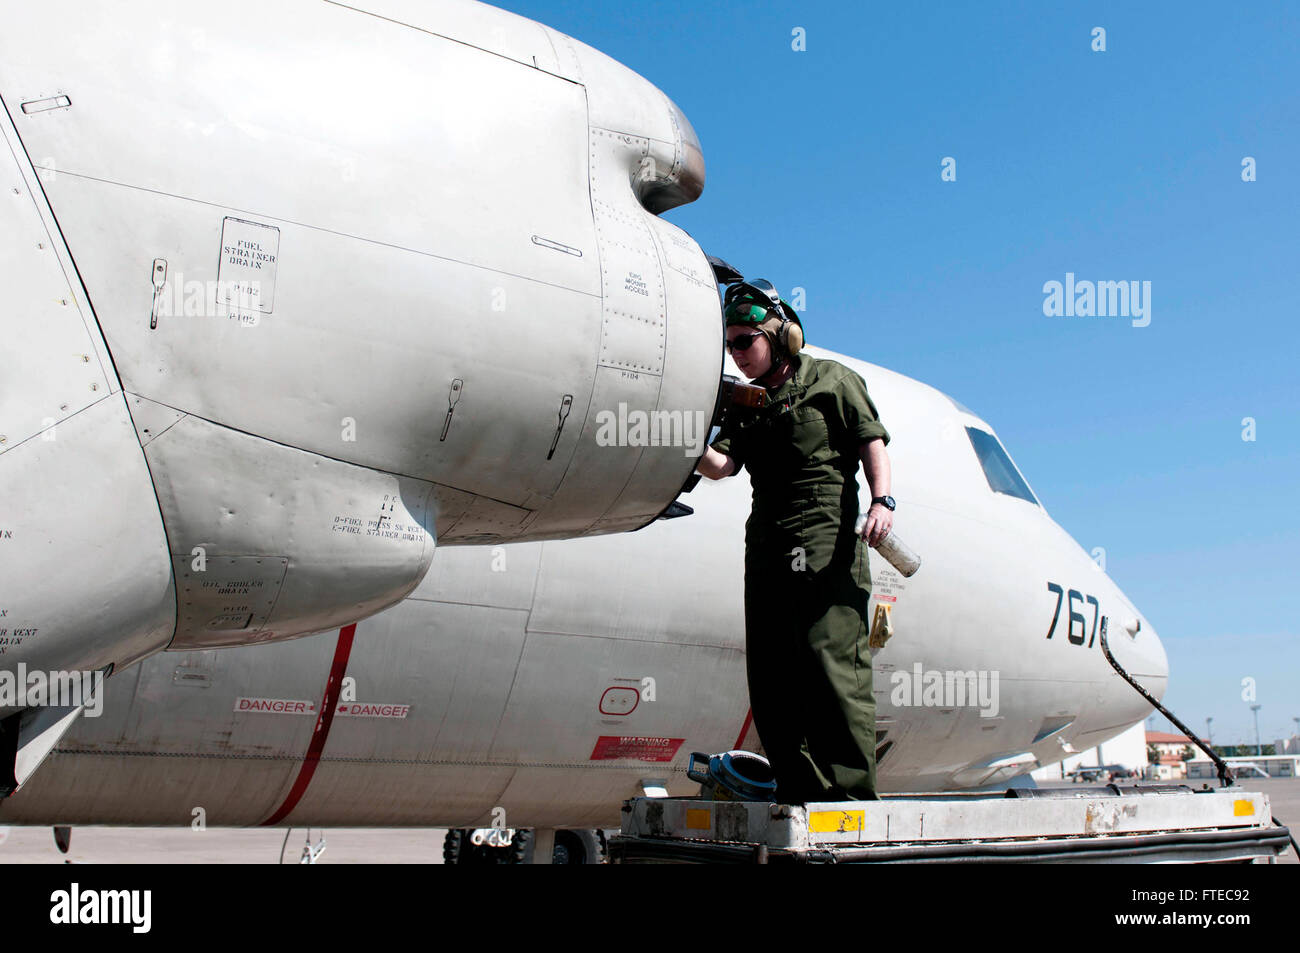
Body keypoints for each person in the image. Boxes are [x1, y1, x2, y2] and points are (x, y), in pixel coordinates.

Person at [696, 279, 895, 803]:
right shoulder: (746, 402)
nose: (736, 354)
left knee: (830, 665)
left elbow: (870, 441)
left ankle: (850, 800)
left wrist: (882, 502)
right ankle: (798, 792)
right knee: (770, 673)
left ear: (780, 336)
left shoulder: (834, 381)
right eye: (729, 344)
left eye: (745, 341)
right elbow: (722, 465)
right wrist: (682, 429)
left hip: (827, 545)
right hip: (767, 548)